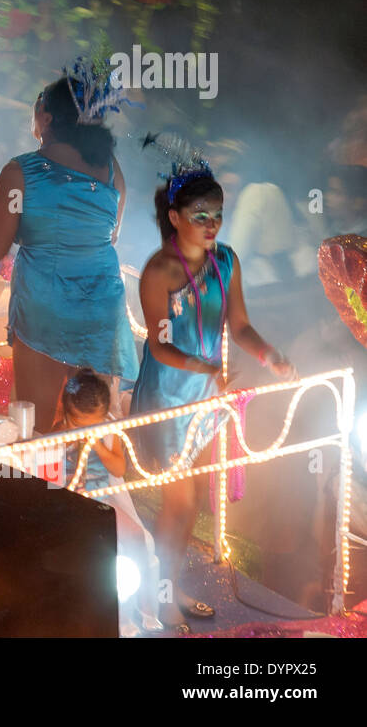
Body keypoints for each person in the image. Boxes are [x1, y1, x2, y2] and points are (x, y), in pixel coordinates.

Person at [129, 153, 295, 633]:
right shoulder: (158, 272)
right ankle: (158, 600)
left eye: (217, 215)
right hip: (168, 398)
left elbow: (240, 326)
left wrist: (270, 356)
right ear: (175, 217)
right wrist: (204, 366)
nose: (211, 225)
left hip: (207, 394)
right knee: (178, 503)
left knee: (196, 498)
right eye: (199, 215)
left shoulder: (227, 261)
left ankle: (169, 586)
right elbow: (158, 347)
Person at [0, 67, 139, 433]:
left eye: (35, 106)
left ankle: (45, 488)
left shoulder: (21, 171)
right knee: (94, 423)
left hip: (45, 305)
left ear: (46, 117)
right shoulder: (111, 170)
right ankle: (89, 485)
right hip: (100, 304)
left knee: (36, 426)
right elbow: (110, 234)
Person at [58, 367, 162, 636]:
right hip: (71, 502)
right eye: (80, 423)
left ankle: (145, 604)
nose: (87, 430)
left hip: (102, 500)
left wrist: (99, 446)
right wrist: (66, 441)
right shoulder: (59, 431)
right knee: (101, 553)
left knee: (136, 537)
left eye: (95, 423)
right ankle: (116, 616)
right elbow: (49, 470)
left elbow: (118, 468)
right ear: (69, 416)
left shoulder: (109, 429)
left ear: (104, 417)